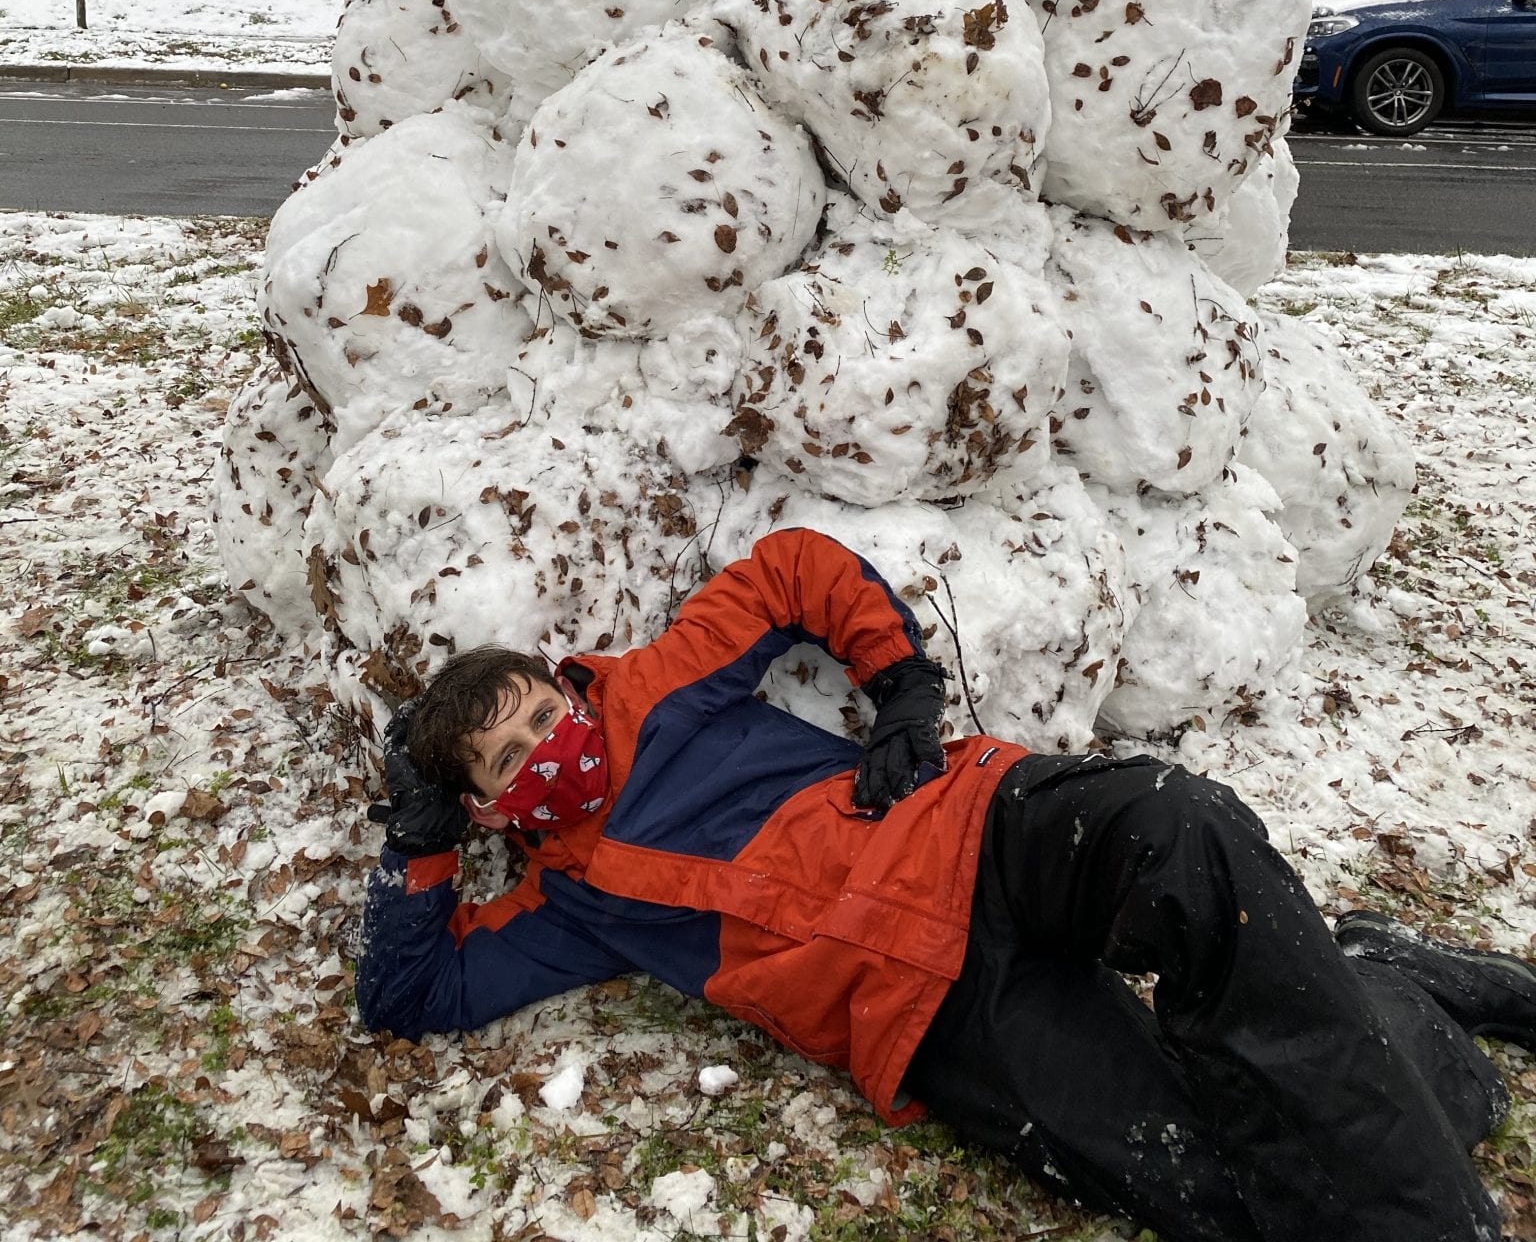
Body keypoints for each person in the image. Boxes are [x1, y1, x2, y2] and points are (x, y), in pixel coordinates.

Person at [356, 528, 1532, 1242]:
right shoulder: (560, 907)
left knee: (1183, 829)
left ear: (565, 688)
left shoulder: (654, 686)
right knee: (1212, 1181)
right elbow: (413, 991)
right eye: (510, 756)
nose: (546, 744)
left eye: (543, 713)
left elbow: (792, 567)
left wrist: (902, 690)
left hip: (967, 828)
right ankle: (1389, 991)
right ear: (486, 807)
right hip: (927, 1012)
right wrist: (416, 848)